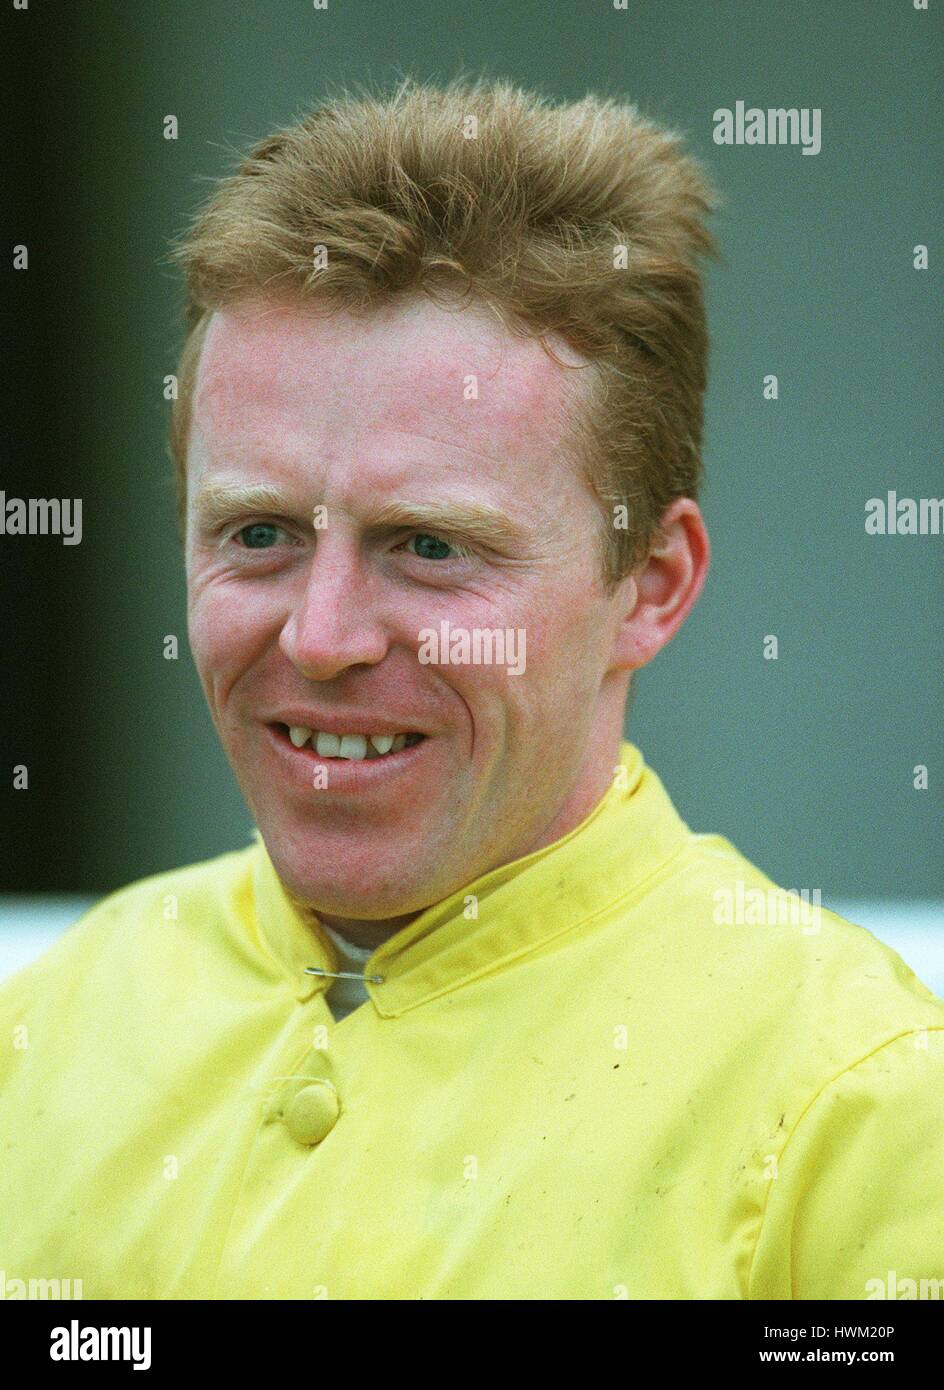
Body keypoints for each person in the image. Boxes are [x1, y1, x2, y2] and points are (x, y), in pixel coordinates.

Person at [2, 76, 942, 1301]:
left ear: (650, 585)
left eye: (429, 546)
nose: (322, 633)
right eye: (258, 533)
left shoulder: (858, 1099)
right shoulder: (51, 1027)